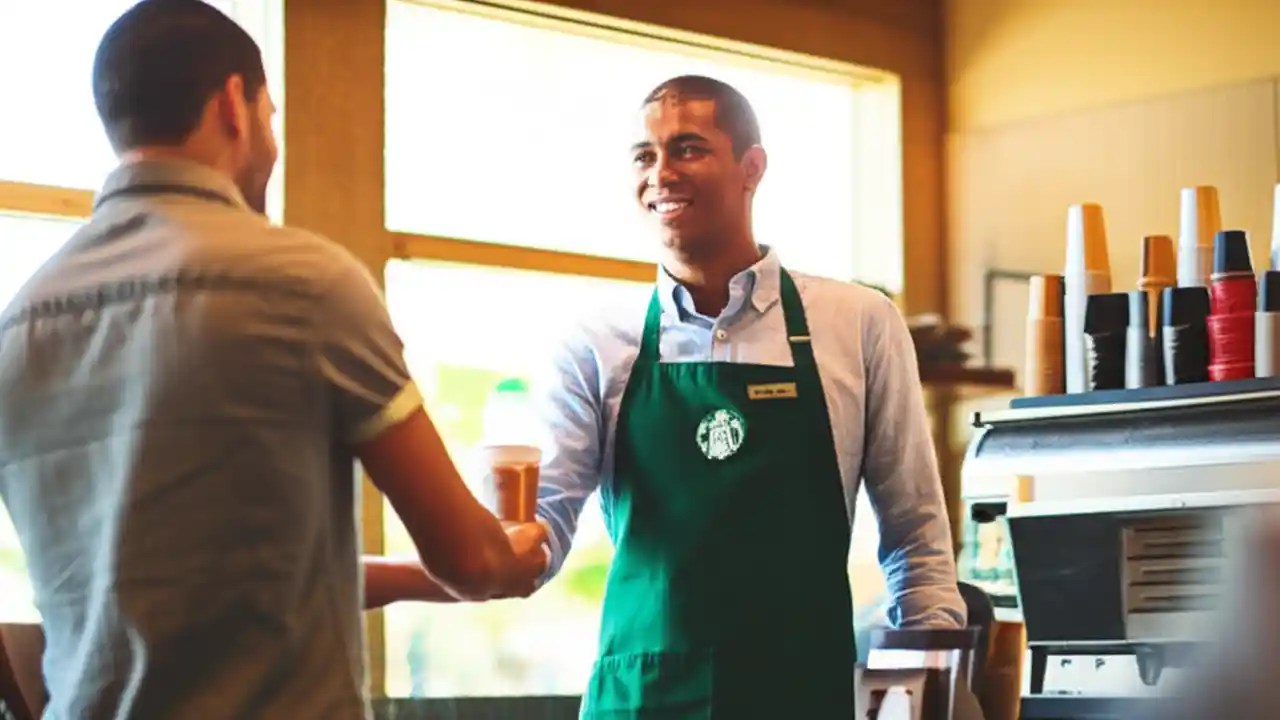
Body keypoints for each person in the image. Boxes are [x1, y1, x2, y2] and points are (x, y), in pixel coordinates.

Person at [0, 1, 546, 718]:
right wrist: (520, 554)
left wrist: (420, 577)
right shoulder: (304, 284)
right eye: (272, 114)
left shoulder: (20, 323)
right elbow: (473, 561)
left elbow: (218, 583)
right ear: (236, 104)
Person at [533, 75, 965, 717]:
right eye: (644, 156)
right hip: (643, 700)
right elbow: (540, 527)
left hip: (801, 695)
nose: (661, 174)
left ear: (751, 167)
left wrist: (935, 691)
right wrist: (472, 553)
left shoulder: (858, 322)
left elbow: (915, 537)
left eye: (687, 149)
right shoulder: (599, 343)